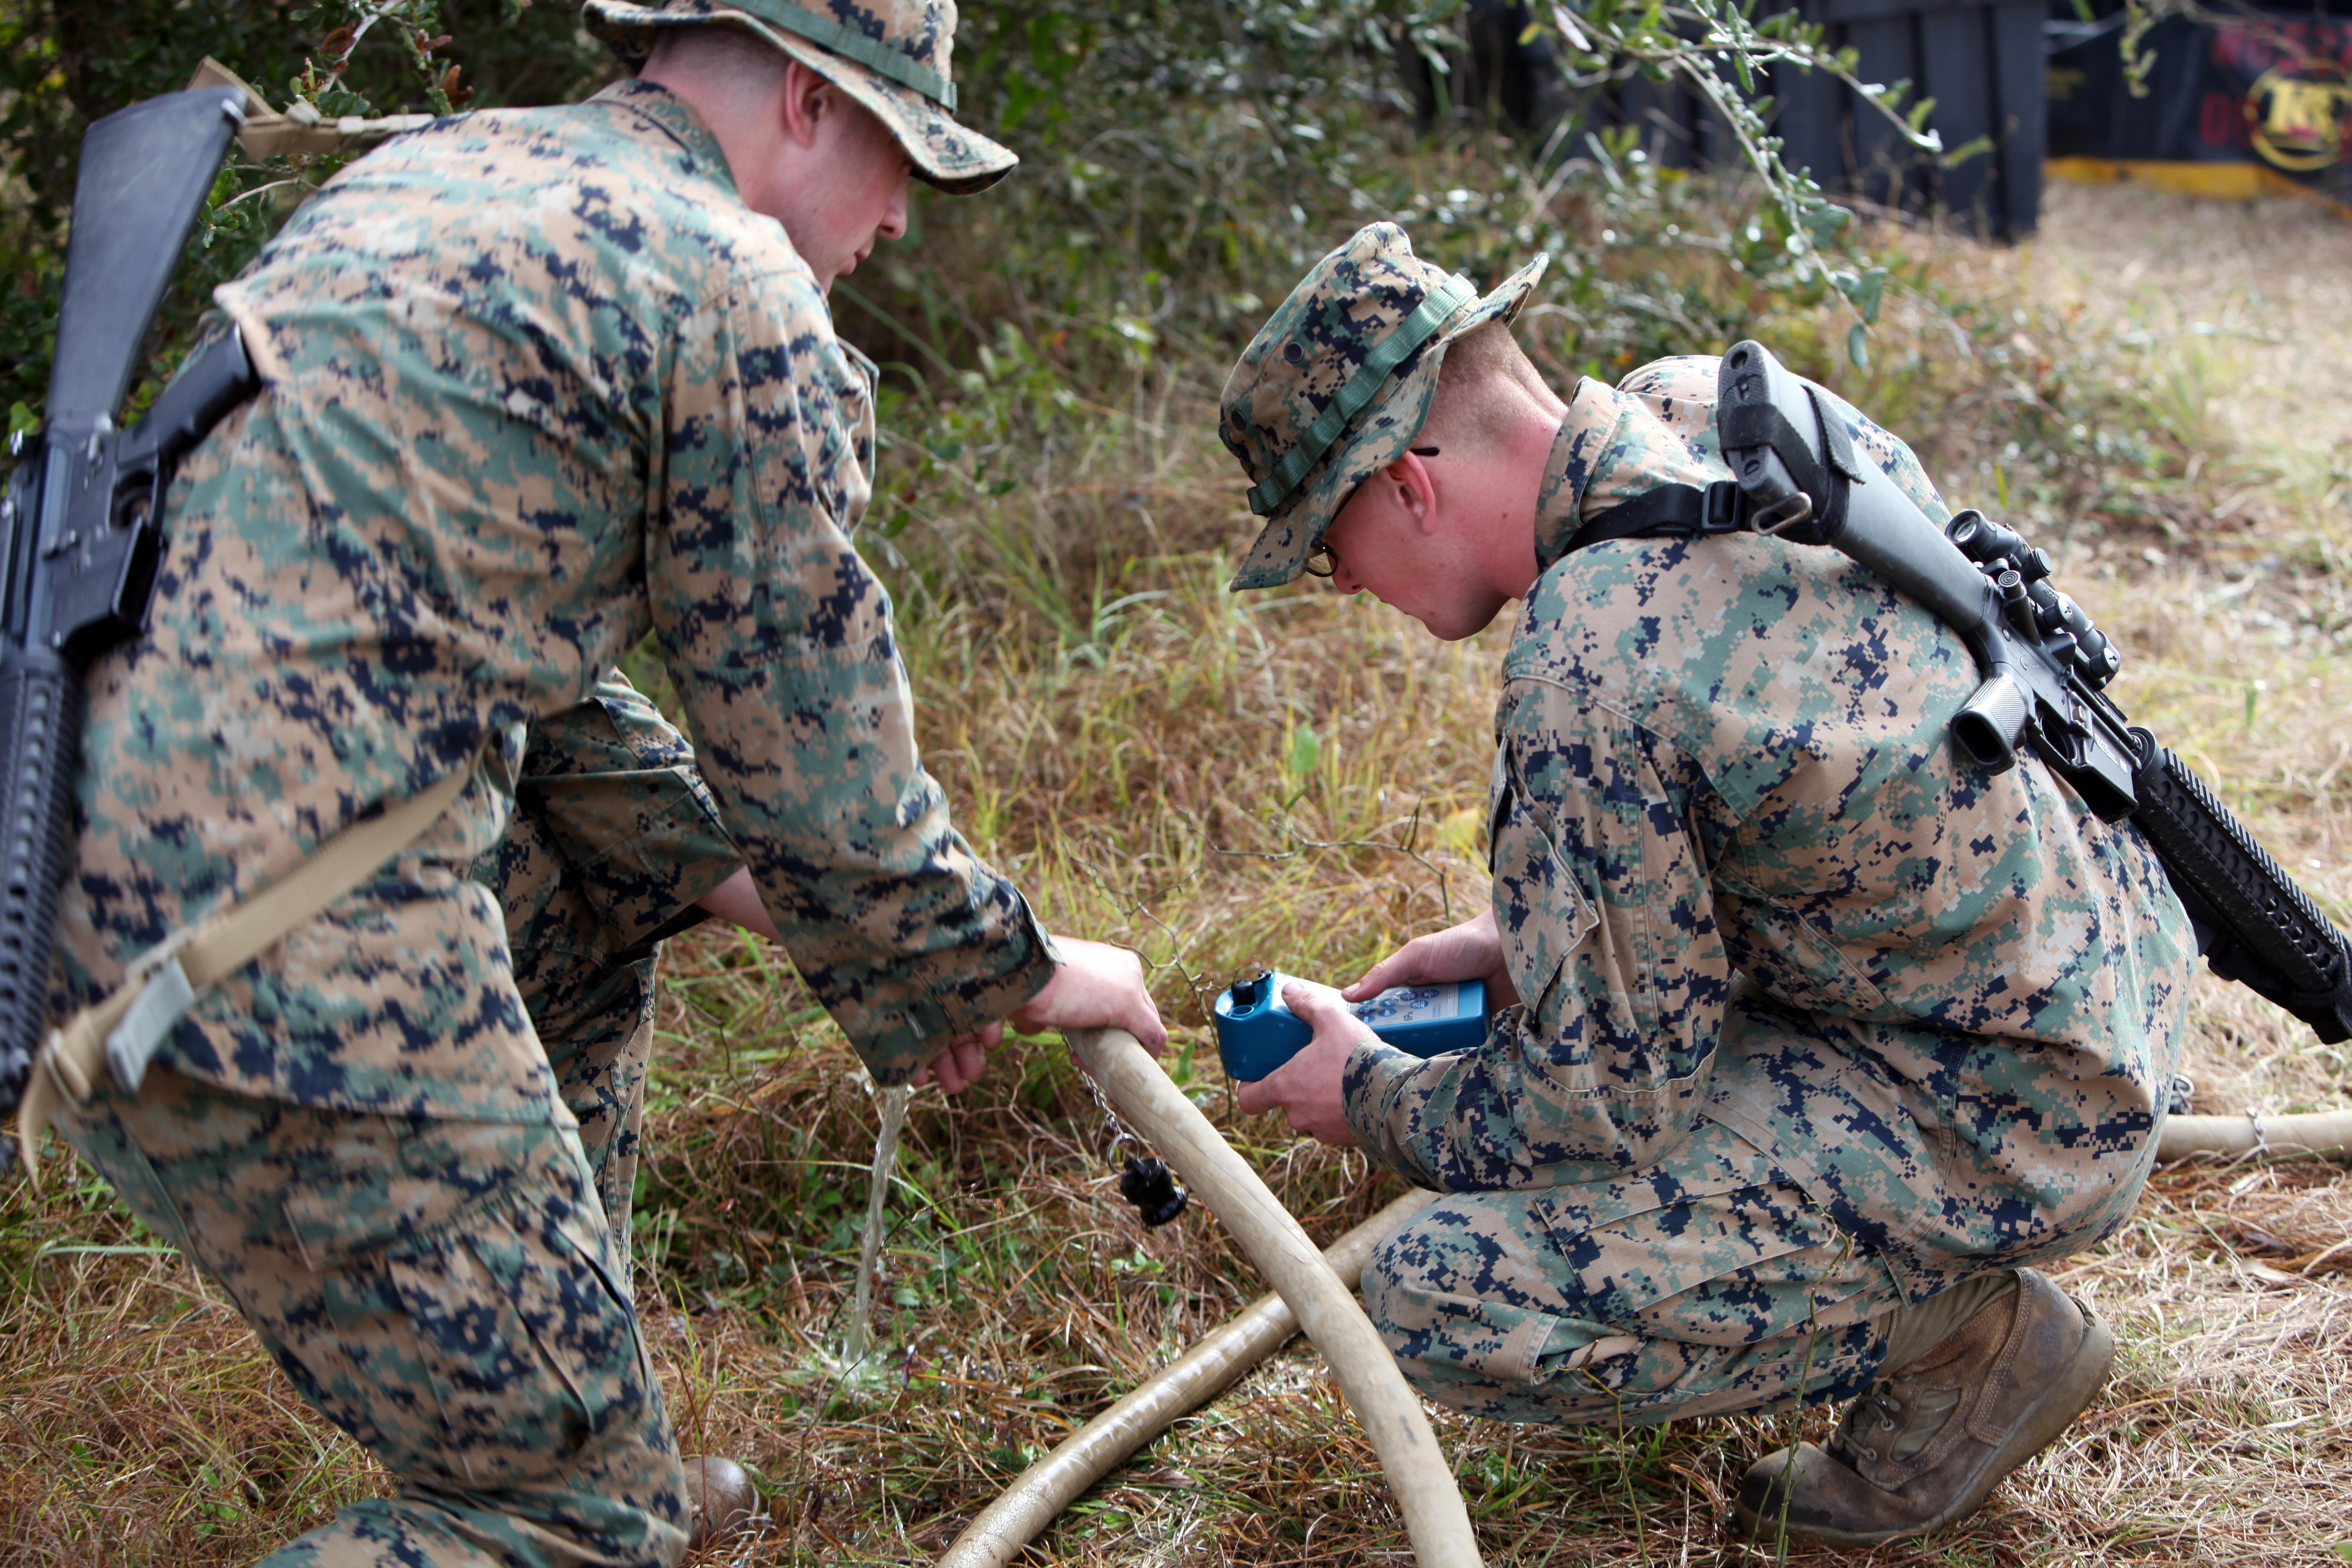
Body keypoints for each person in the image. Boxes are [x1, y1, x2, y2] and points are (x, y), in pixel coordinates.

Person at [41, 3, 1165, 1563]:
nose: (900, 215)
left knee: (572, 921)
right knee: (574, 1529)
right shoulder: (728, 277)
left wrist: (733, 881)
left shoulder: (439, 180)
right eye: (904, 157)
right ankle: (557, 1484)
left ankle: (565, 1389)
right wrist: (1018, 969)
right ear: (805, 97)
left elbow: (506, 681)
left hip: (57, 839)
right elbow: (827, 777)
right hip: (260, 927)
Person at [1217, 222, 2194, 1547]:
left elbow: (1599, 1104)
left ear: (1407, 488)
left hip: (2014, 1108)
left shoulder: (1584, 662)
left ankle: (1966, 1342)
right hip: (2103, 968)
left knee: (1429, 1293)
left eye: (1328, 549)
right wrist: (1540, 944)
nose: (1342, 584)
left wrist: (1372, 1096)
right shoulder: (1716, 413)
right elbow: (1823, 784)